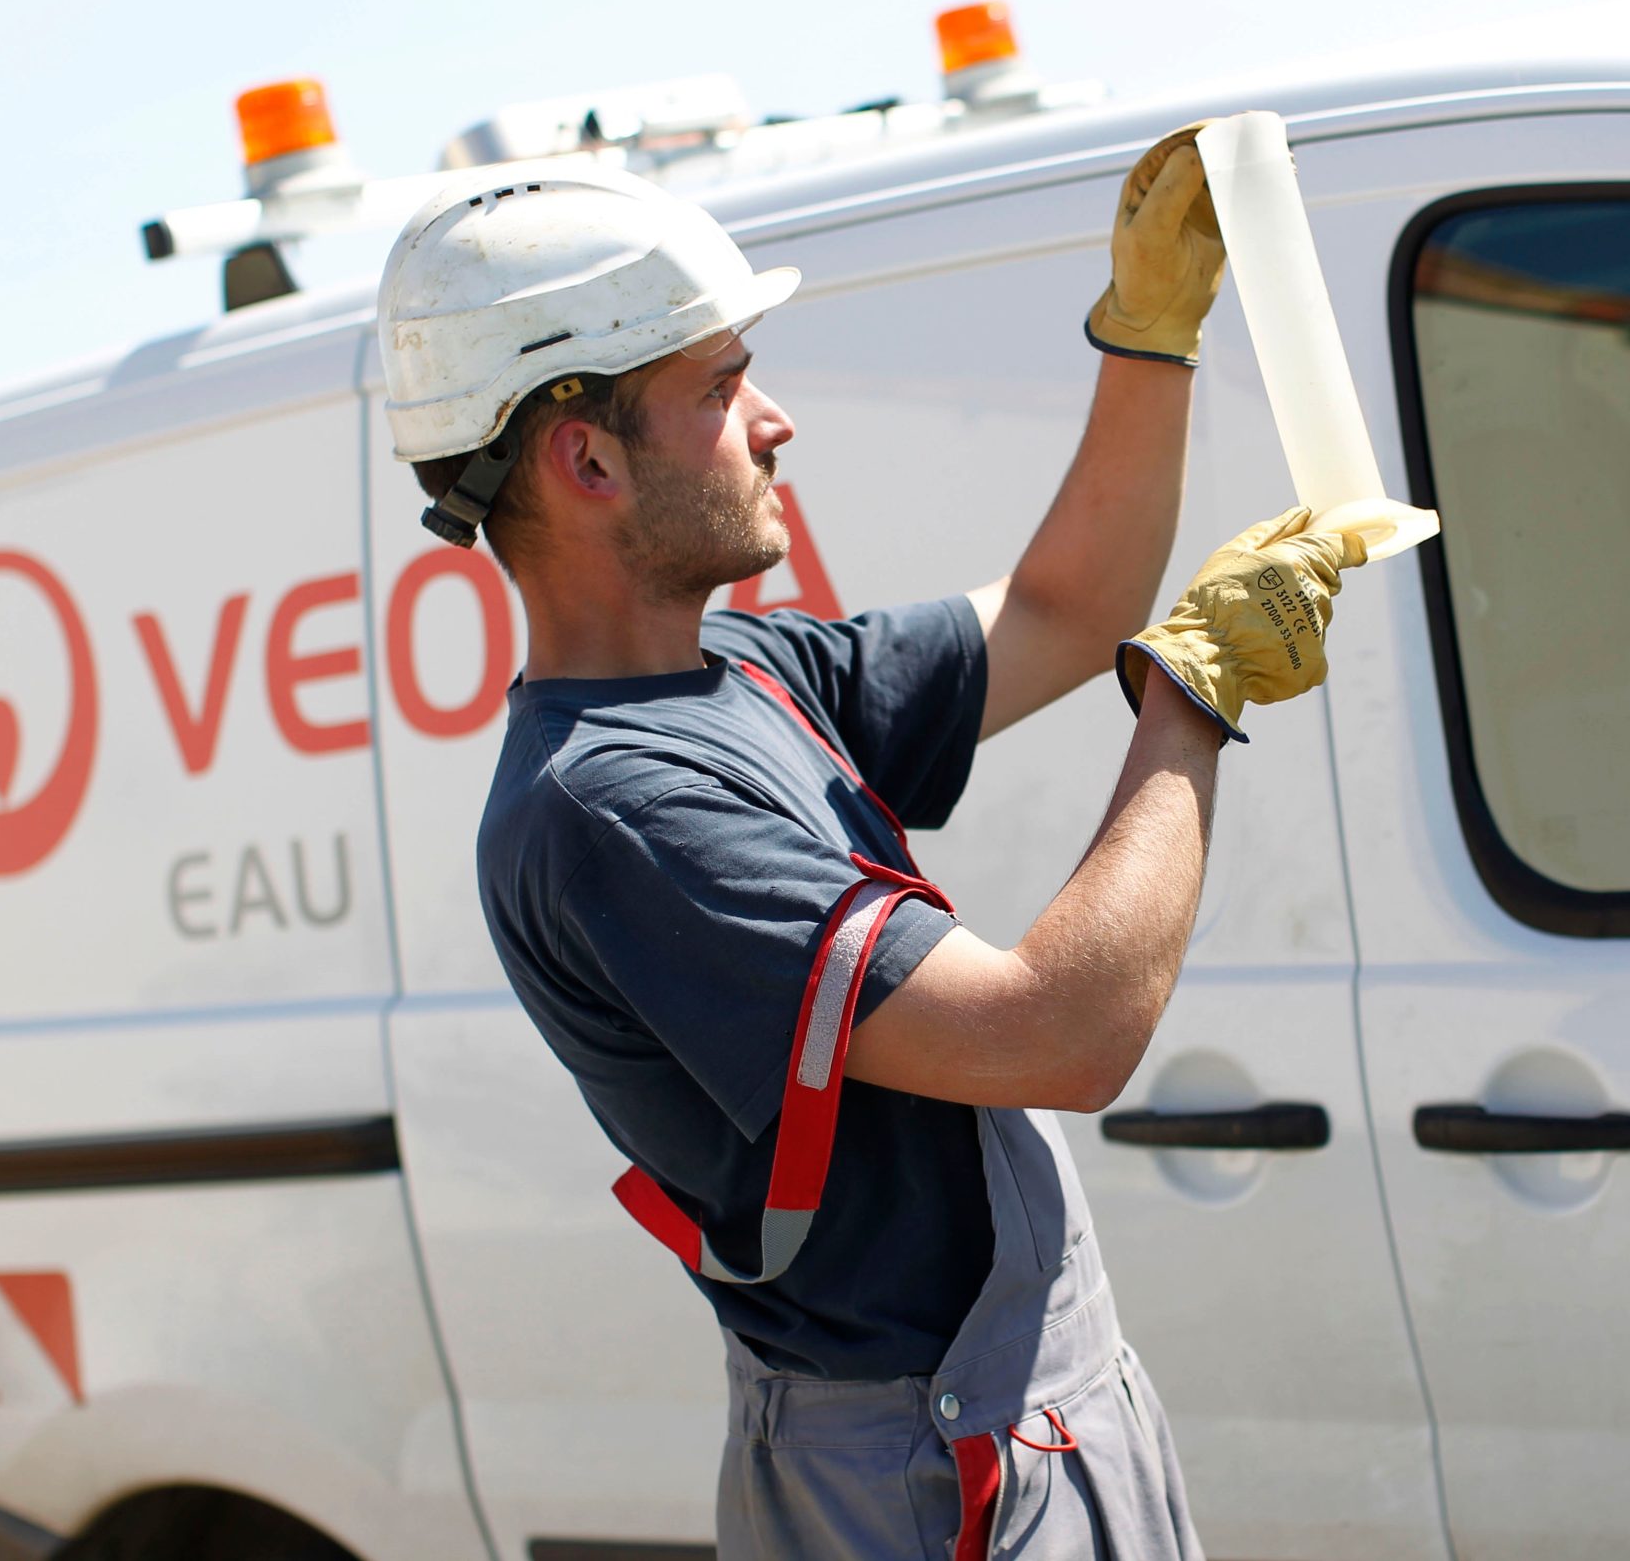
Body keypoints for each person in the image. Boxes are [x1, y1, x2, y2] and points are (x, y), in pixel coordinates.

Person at [373, 128, 1361, 1559]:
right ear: (586, 455)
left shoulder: (750, 676)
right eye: (719, 387)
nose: (773, 418)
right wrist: (1194, 698)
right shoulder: (615, 806)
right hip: (922, 1462)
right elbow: (1058, 1035)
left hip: (1003, 1416)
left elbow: (1063, 614)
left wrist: (1147, 331)